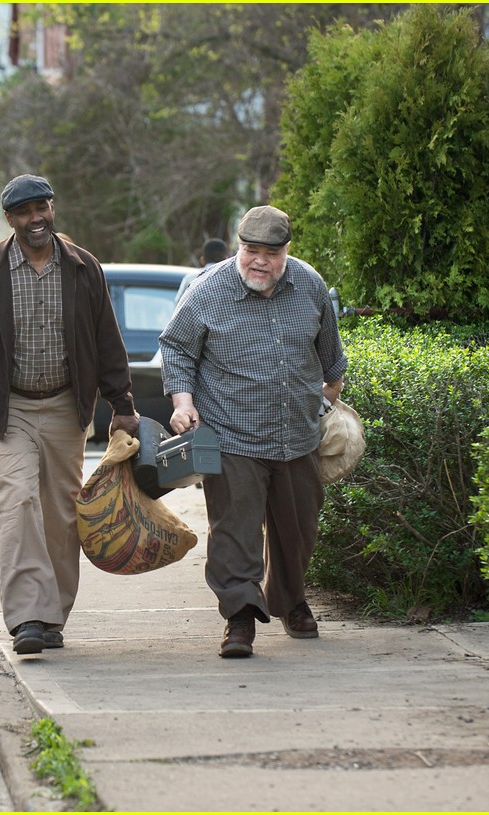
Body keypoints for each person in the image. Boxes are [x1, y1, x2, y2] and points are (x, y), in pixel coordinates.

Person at [0, 174, 140, 656]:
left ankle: (54, 614)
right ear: (10, 220)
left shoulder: (84, 268)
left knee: (62, 512)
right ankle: (27, 617)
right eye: (24, 212)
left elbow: (108, 340)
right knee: (19, 498)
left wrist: (122, 405)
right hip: (8, 409)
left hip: (67, 406)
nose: (36, 218)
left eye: (41, 207)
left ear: (52, 208)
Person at [159, 205, 347, 659]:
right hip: (232, 435)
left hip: (297, 434)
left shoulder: (310, 285)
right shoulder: (208, 291)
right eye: (249, 250)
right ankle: (239, 617)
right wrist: (183, 403)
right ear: (238, 246)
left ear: (286, 252)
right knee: (235, 532)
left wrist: (326, 398)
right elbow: (176, 348)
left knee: (297, 530)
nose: (258, 261)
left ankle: (290, 602)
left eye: (269, 253)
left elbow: (332, 357)